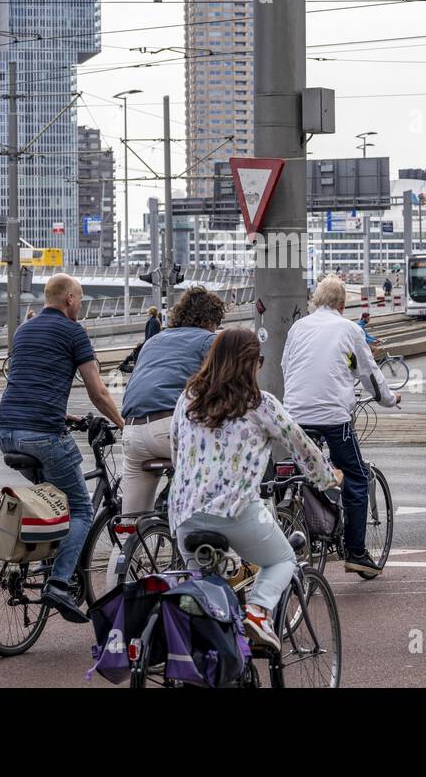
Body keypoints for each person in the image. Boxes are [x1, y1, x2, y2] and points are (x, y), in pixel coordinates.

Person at [170, 328, 337, 650]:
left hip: (184, 512)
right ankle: (258, 614)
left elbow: (177, 450)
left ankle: (211, 655)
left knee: (205, 590)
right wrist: (329, 478)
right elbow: (302, 447)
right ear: (249, 363)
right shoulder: (260, 404)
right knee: (282, 560)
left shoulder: (187, 399)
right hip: (234, 510)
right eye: (258, 360)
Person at [0, 274, 126, 623]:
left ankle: (45, 560)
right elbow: (98, 392)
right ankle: (58, 582)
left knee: (50, 501)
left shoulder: (25, 330)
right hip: (42, 434)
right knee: (81, 509)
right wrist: (124, 423)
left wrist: (67, 415)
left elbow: (29, 384)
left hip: (6, 431)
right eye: (80, 299)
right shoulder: (73, 332)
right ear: (69, 298)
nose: (80, 306)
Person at [283, 275, 399, 576]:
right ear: (343, 304)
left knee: (303, 474)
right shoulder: (349, 329)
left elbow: (286, 366)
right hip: (333, 418)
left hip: (294, 415)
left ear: (315, 302)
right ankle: (357, 553)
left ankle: (303, 528)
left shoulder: (297, 327)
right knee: (356, 476)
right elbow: (369, 373)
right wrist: (389, 398)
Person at [119, 286, 225, 518]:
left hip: (132, 431)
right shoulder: (209, 340)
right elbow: (222, 389)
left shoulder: (153, 341)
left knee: (131, 520)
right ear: (209, 320)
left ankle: (125, 552)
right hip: (169, 428)